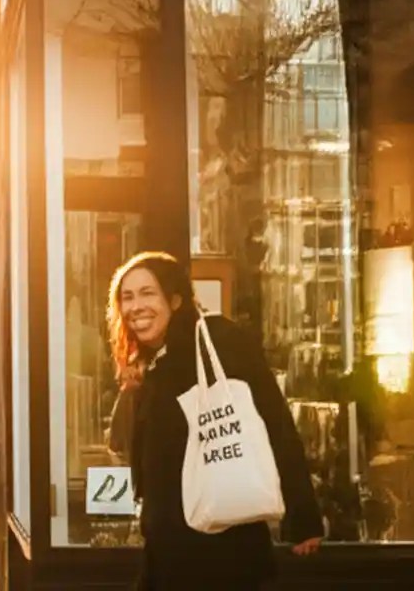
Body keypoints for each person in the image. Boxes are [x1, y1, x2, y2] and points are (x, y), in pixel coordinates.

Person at [108, 251, 323, 590]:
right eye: (127, 297)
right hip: (167, 552)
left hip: (224, 550)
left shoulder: (218, 340)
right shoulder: (152, 366)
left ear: (175, 299)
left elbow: (274, 419)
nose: (135, 306)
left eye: (148, 293)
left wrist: (303, 515)